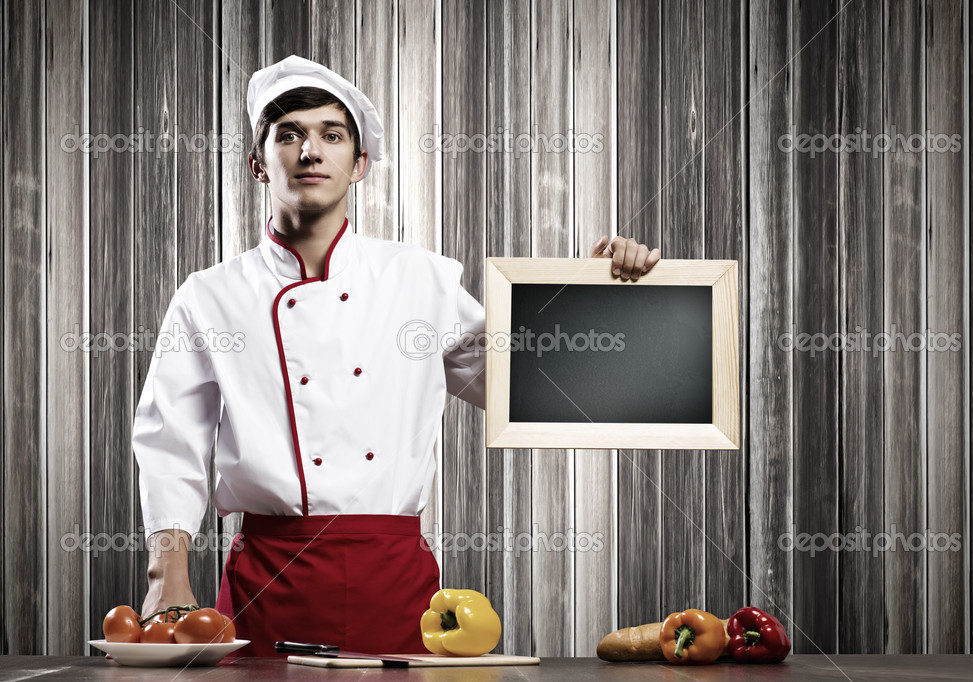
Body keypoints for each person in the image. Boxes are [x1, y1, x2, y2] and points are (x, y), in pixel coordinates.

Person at [133, 55, 661, 657]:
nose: (311, 152)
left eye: (332, 136)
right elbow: (170, 441)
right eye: (289, 135)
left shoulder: (422, 281)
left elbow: (528, 383)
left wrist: (603, 295)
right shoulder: (209, 296)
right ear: (259, 164)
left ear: (359, 165)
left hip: (397, 580)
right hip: (266, 580)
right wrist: (166, 578)